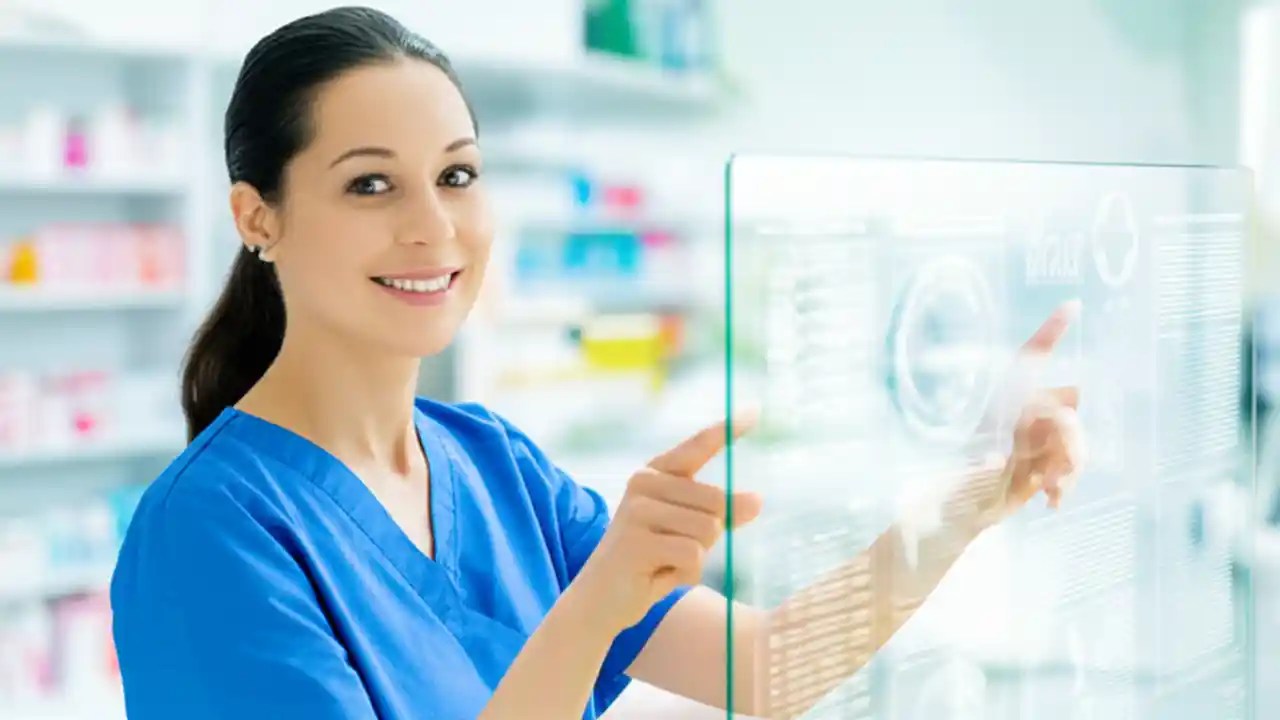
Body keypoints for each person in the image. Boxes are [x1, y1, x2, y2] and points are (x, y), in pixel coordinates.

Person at [108, 6, 1084, 719]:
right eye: (370, 184)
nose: (433, 227)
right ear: (257, 217)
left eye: (456, 175)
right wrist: (593, 608)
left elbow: (768, 668)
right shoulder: (208, 534)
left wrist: (973, 498)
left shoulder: (492, 465)